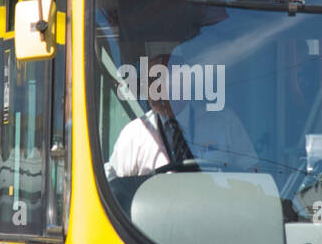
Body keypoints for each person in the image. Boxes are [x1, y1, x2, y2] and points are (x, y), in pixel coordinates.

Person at [105, 52, 256, 179]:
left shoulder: (223, 121)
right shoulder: (134, 134)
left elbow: (253, 172)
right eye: (150, 81)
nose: (156, 88)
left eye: (164, 79)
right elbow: (113, 185)